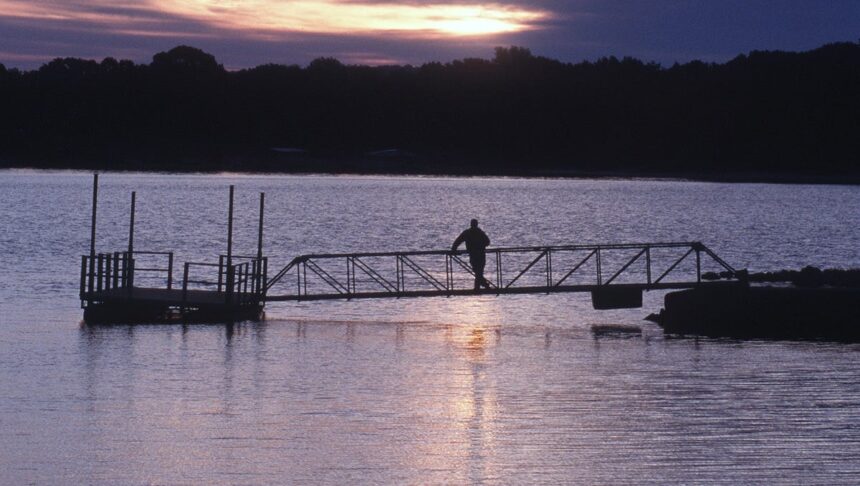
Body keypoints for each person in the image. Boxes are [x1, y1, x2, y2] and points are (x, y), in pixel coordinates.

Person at [451, 219, 491, 290]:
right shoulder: (480, 232)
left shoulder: (467, 232)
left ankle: (480, 287)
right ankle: (481, 286)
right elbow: (487, 242)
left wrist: (454, 249)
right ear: (477, 224)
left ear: (471, 224)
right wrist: (481, 245)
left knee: (477, 272)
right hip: (481, 255)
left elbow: (458, 241)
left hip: (473, 255)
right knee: (479, 272)